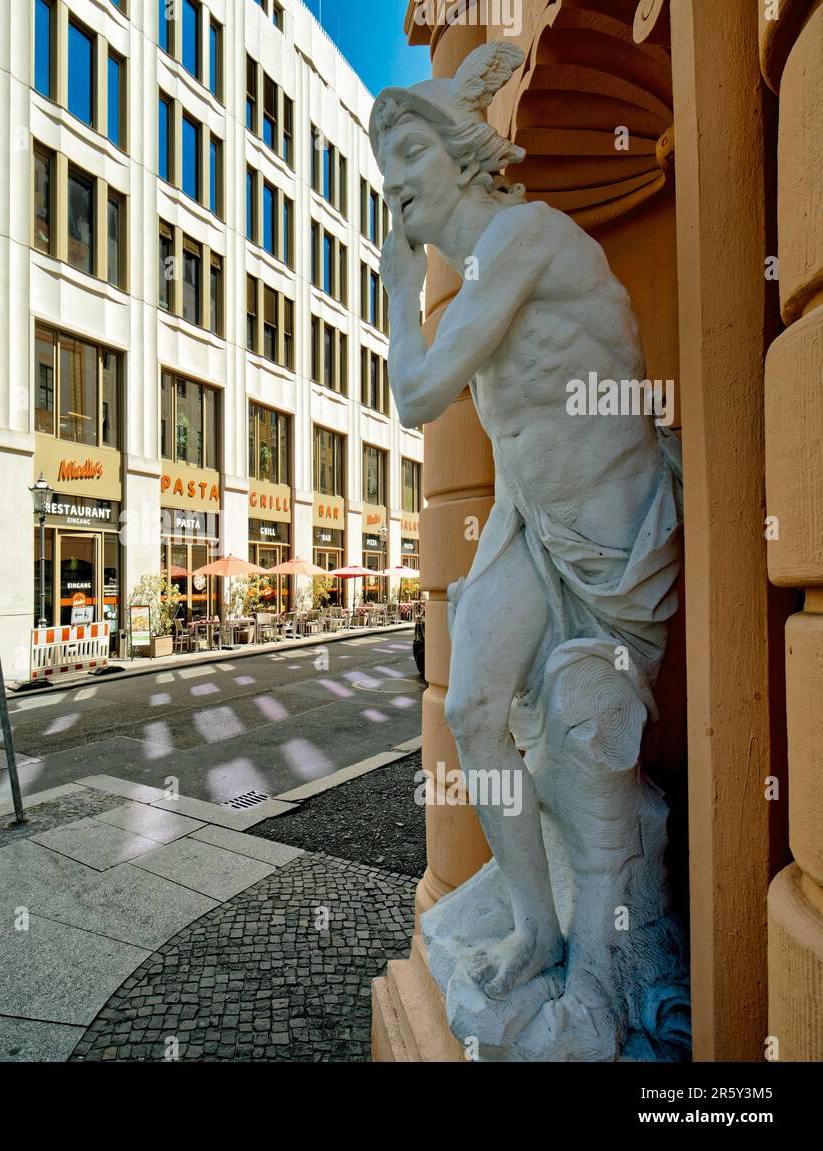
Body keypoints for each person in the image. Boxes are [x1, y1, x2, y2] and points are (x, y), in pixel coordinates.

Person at [372, 43, 682, 1003]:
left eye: (407, 157)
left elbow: (420, 392)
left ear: (463, 151)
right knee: (470, 710)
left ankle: (608, 967)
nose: (392, 184)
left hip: (613, 546)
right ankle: (534, 929)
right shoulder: (480, 275)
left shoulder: (525, 241)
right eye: (385, 168)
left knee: (593, 756)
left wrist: (393, 282)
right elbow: (507, 435)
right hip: (534, 520)